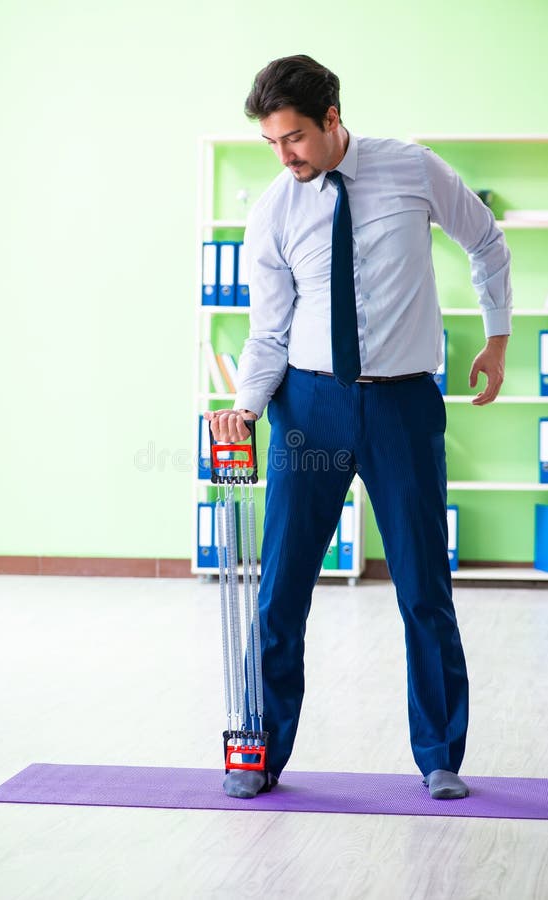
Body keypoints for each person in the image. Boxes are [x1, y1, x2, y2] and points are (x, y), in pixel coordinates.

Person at [205, 55, 511, 800]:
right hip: (309, 408)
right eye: (273, 143)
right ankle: (261, 754)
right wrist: (247, 407)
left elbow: (485, 241)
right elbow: (267, 330)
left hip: (403, 405)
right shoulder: (274, 210)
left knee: (423, 587)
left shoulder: (412, 168)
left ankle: (439, 755)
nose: (285, 156)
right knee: (281, 590)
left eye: (295, 138)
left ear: (332, 118)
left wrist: (498, 338)